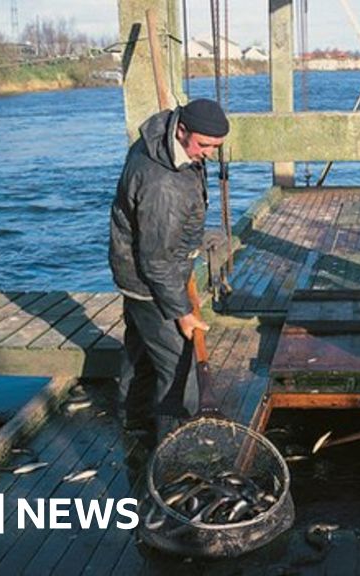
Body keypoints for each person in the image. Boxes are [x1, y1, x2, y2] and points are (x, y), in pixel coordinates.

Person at [109, 98, 229, 439]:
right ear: (181, 130)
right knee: (179, 366)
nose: (207, 153)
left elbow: (160, 232)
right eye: (203, 145)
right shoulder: (163, 184)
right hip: (151, 282)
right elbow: (157, 260)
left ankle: (134, 419)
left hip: (133, 269)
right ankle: (179, 445)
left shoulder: (161, 135)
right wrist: (182, 312)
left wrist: (192, 241)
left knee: (140, 350)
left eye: (216, 147)